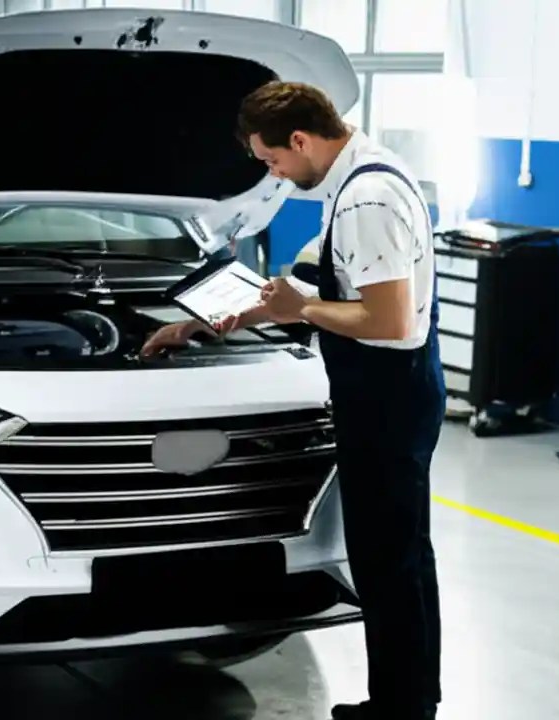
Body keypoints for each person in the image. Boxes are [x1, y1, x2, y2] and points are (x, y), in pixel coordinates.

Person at [142, 81, 444, 720]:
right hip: (394, 391)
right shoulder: (361, 177)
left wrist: (301, 308)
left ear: (301, 140)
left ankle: (401, 709)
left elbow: (387, 321)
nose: (271, 172)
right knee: (403, 553)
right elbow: (310, 280)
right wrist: (203, 322)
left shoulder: (366, 197)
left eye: (271, 159)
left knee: (388, 559)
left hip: (388, 397)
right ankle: (410, 698)